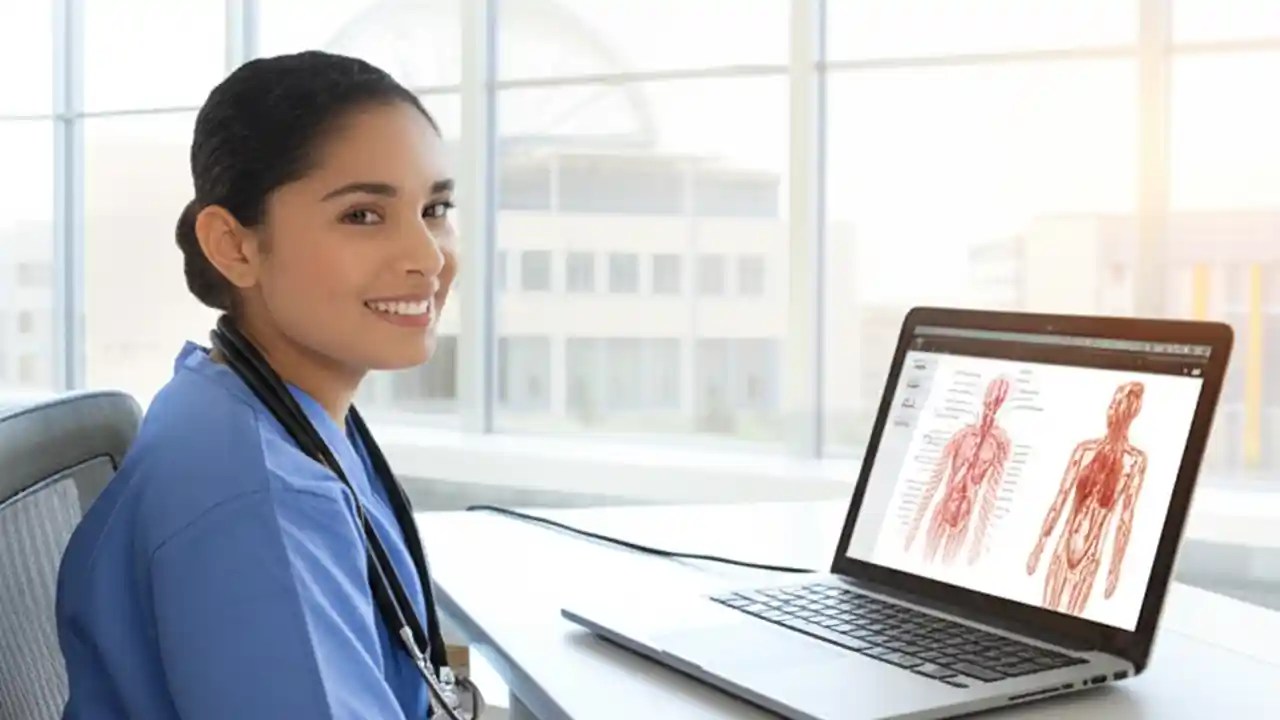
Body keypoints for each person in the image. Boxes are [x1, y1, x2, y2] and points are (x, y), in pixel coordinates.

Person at [55, 50, 458, 719]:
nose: (428, 257)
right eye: (363, 214)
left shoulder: (241, 404)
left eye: (435, 208)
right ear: (235, 247)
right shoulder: (261, 501)